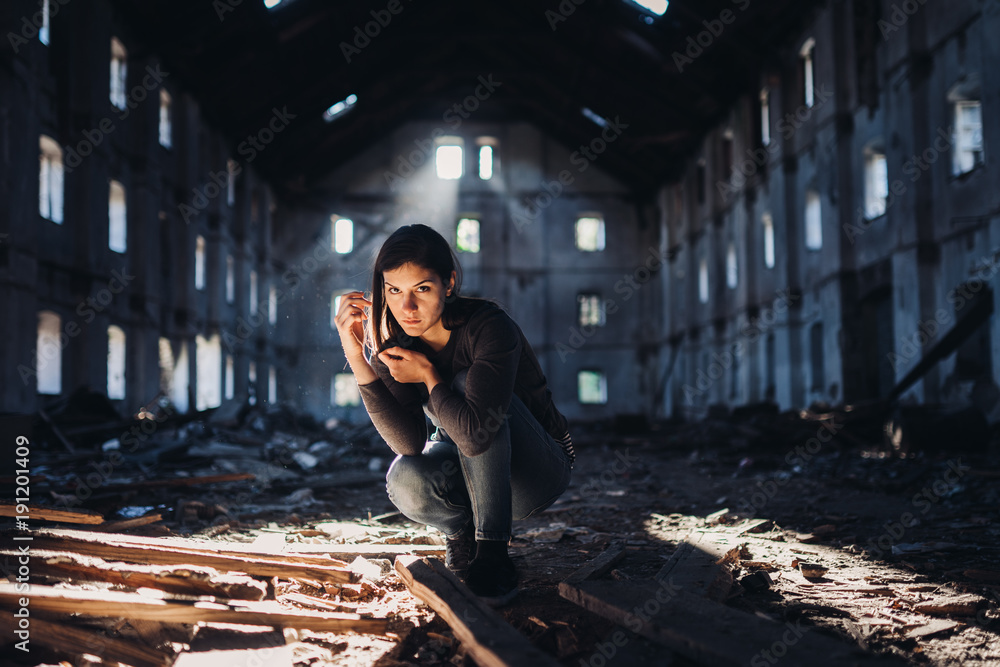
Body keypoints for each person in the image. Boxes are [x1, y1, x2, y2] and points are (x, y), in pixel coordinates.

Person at [334, 224, 574, 605]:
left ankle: (493, 553)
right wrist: (357, 357)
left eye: (422, 289)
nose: (406, 308)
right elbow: (408, 443)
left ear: (449, 283)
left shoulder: (489, 328)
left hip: (535, 471)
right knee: (405, 477)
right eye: (394, 290)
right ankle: (462, 533)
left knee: (464, 387)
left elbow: (478, 435)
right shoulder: (392, 341)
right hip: (467, 469)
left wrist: (429, 376)